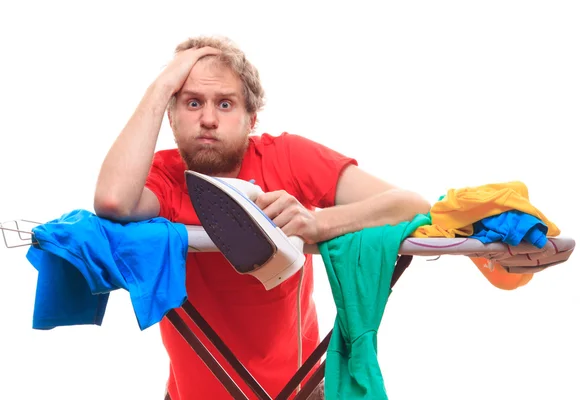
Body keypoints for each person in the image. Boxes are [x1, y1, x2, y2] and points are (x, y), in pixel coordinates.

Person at [93, 35, 431, 400]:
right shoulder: (164, 176)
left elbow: (412, 205)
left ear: (250, 118)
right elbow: (113, 201)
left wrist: (319, 224)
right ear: (171, 116)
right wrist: (161, 87)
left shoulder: (286, 157)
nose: (208, 119)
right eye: (192, 103)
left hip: (298, 391)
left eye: (225, 104)